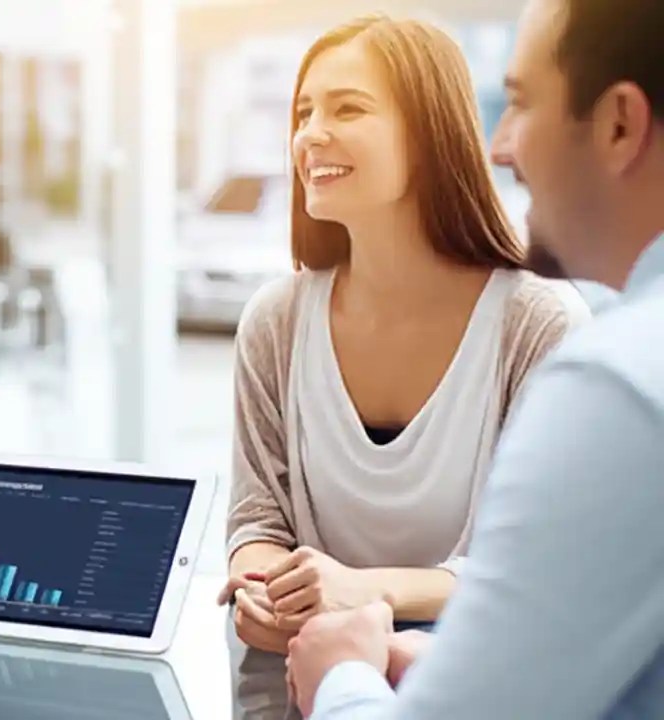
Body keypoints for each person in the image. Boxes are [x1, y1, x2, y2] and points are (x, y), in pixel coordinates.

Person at [285, 0, 664, 716]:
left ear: (618, 124)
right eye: (304, 112)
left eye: (519, 103)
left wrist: (340, 674)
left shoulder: (617, 388)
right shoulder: (281, 318)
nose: (499, 146)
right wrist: (457, 662)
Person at [215, 14, 589, 717]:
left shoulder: (537, 324)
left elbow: (534, 571)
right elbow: (257, 514)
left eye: (347, 108)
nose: (310, 134)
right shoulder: (276, 320)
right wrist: (261, 587)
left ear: (430, 132)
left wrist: (368, 591)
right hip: (297, 688)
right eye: (304, 112)